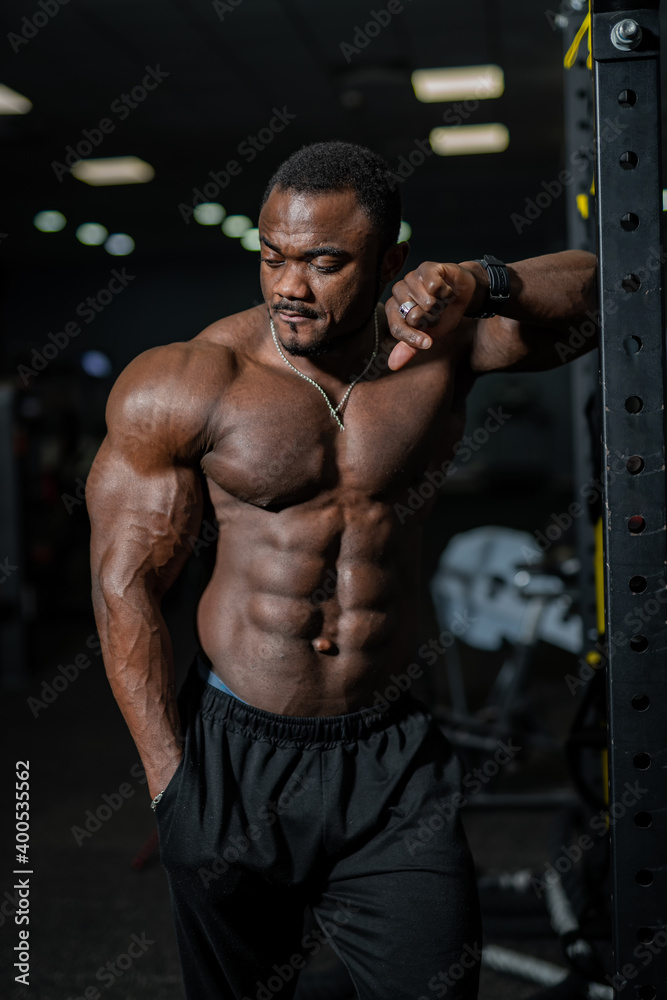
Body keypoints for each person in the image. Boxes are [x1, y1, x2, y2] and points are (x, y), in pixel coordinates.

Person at [87, 140, 597, 1000]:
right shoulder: (188, 380)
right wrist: (172, 785)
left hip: (389, 749)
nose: (289, 285)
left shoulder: (442, 349)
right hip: (235, 753)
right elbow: (125, 584)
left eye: (324, 262)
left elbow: (596, 296)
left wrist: (481, 279)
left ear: (391, 260)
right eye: (273, 257)